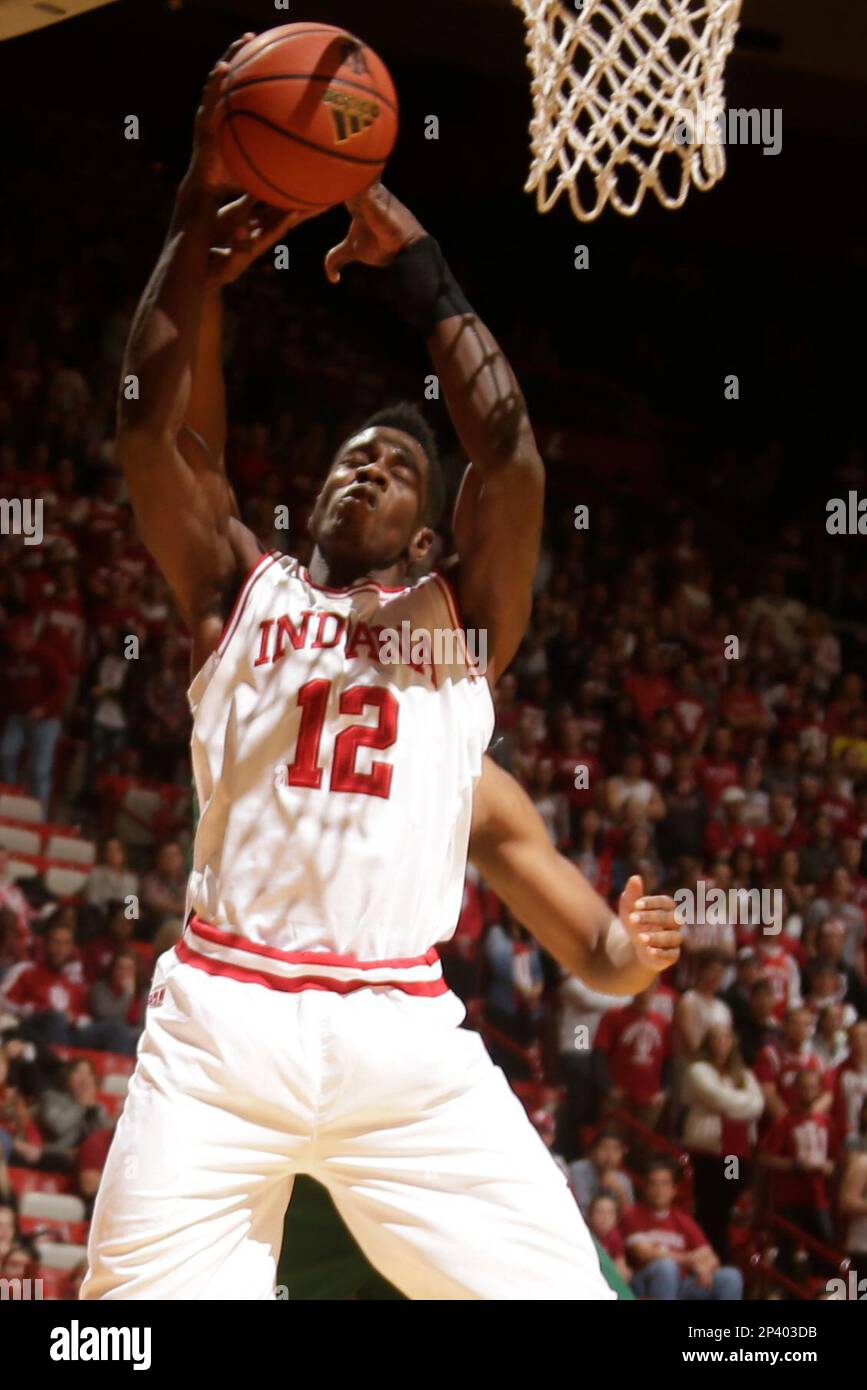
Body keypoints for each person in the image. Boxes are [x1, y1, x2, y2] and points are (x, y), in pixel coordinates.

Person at [82, 40, 681, 1303]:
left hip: (399, 1036)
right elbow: (149, 417)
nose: (360, 466)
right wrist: (193, 210)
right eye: (346, 457)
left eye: (394, 465)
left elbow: (509, 456)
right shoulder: (241, 588)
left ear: (427, 533)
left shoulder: (462, 628)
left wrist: (424, 276)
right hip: (222, 1024)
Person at [681, 1024, 764, 1259]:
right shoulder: (697, 1070)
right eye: (717, 1039)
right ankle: (713, 1253)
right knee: (710, 1204)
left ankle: (726, 1253)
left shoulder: (744, 1074)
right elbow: (717, 1098)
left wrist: (733, 1107)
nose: (722, 1044)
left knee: (731, 1198)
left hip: (735, 1151)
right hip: (708, 1151)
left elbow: (757, 1105)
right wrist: (742, 1105)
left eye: (726, 1039)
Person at [620, 1161, 743, 1300]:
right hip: (643, 1281)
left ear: (673, 1190)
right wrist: (690, 1261)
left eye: (665, 1184)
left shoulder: (682, 1219)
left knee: (731, 1277)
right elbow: (643, 1253)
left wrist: (705, 1269)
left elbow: (710, 1256)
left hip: (681, 1283)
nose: (659, 1190)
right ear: (645, 1188)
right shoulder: (632, 1214)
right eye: (654, 1184)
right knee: (666, 1267)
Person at [570, 1129, 635, 1216]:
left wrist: (620, 1192)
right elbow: (581, 1208)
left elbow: (630, 1216)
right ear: (594, 1151)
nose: (609, 1154)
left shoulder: (624, 1180)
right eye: (604, 1148)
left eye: (615, 1149)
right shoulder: (578, 1169)